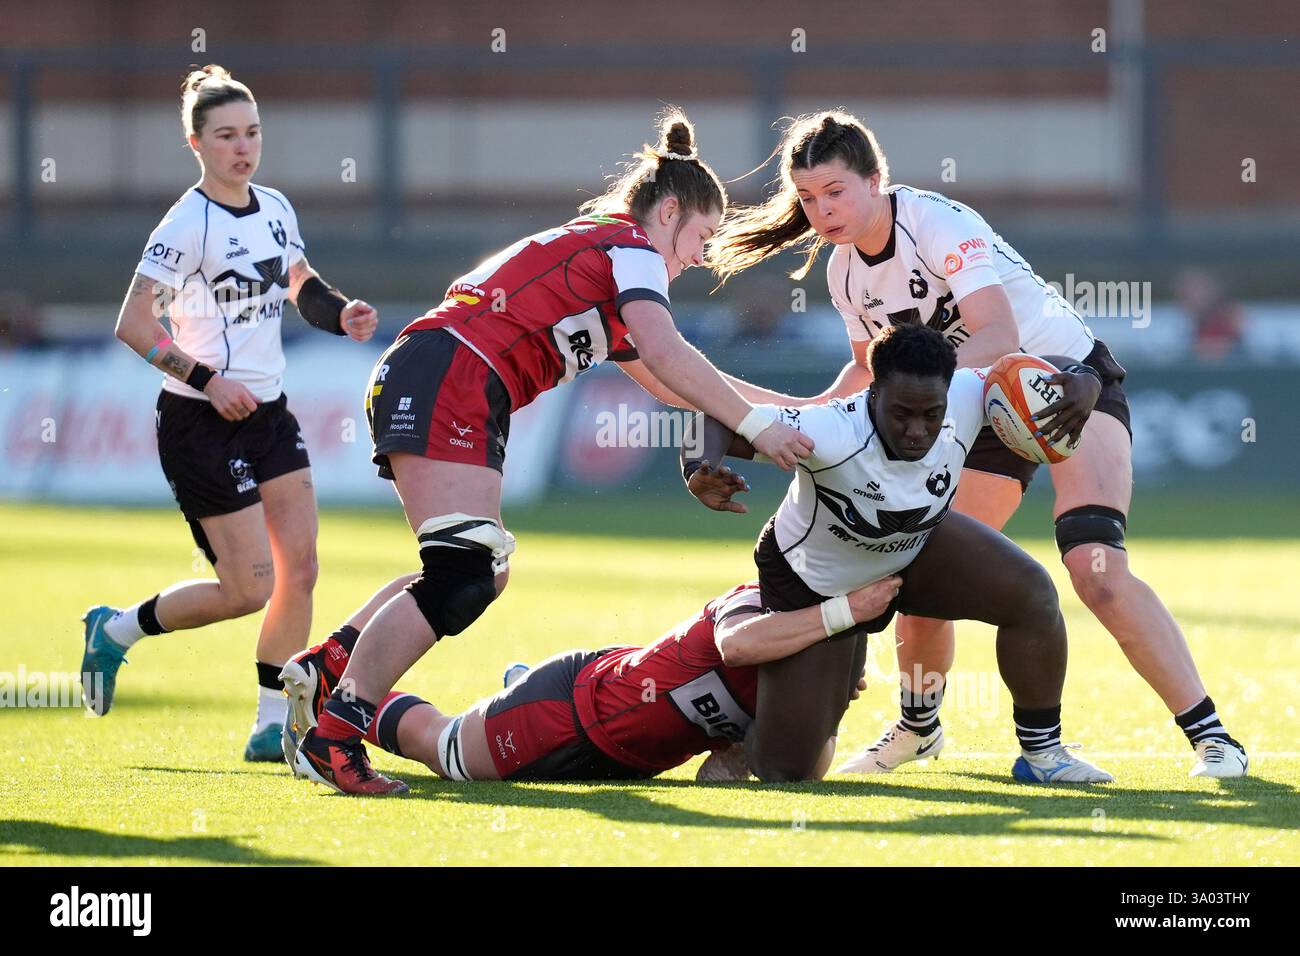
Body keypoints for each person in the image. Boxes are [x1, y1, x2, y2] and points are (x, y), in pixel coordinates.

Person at [707, 111, 1246, 779]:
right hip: (973, 406)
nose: (822, 211)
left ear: (877, 180)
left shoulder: (936, 222)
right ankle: (918, 727)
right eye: (809, 198)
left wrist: (915, 397)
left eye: (836, 191)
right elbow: (868, 374)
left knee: (1094, 567)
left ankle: (1213, 738)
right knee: (919, 560)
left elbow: (996, 334)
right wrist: (803, 418)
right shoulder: (844, 272)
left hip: (1059, 385)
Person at [294, 110, 816, 794]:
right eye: (702, 236)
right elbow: (669, 353)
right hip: (453, 373)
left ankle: (328, 664)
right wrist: (761, 426)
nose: (701, 256)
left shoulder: (610, 258)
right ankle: (335, 734)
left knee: (477, 566)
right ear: (667, 212)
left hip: (443, 372)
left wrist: (800, 416)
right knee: (465, 571)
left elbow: (672, 382)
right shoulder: (630, 247)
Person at [80, 65, 379, 762]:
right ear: (195, 143)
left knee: (300, 571)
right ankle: (117, 630)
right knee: (249, 588)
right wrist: (208, 381)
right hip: (198, 422)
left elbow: (300, 285)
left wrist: (343, 315)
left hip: (269, 413)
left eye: (252, 133)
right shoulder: (186, 224)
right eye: (225, 136)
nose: (242, 148)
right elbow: (133, 324)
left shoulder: (274, 207)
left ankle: (271, 723)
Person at [683, 324, 1114, 784]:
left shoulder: (971, 391)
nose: (916, 431)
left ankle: (1043, 754)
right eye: (901, 413)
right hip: (816, 582)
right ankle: (748, 710)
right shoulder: (829, 429)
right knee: (786, 769)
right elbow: (709, 420)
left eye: (931, 414)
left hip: (916, 544)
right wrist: (698, 468)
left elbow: (1052, 371)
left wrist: (1085, 379)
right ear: (873, 393)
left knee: (1032, 594)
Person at [279, 575, 900, 793]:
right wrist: (840, 616)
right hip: (570, 712)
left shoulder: (814, 653)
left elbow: (773, 773)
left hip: (624, 760)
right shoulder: (757, 604)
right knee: (448, 754)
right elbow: (735, 645)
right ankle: (341, 697)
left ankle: (513, 682)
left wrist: (829, 709)